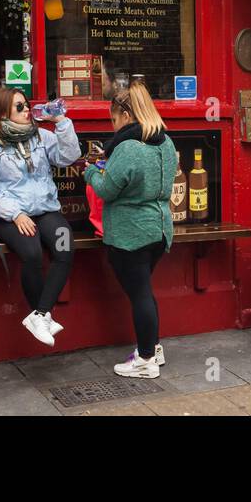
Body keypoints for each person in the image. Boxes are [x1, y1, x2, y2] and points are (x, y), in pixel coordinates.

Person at [85, 82, 176, 379]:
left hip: (131, 233)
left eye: (113, 118)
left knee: (140, 295)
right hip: (160, 229)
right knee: (144, 292)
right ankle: (153, 349)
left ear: (125, 115)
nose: (113, 125)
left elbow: (108, 191)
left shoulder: (127, 147)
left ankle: (145, 360)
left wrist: (90, 172)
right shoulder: (165, 142)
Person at [0, 86, 82, 346]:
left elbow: (69, 156)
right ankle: (42, 315)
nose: (27, 110)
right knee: (32, 253)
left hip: (46, 209)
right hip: (10, 214)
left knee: (64, 246)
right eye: (19, 107)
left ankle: (40, 314)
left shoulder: (41, 137)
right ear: (3, 113)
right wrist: (15, 214)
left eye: (26, 105)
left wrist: (61, 122)